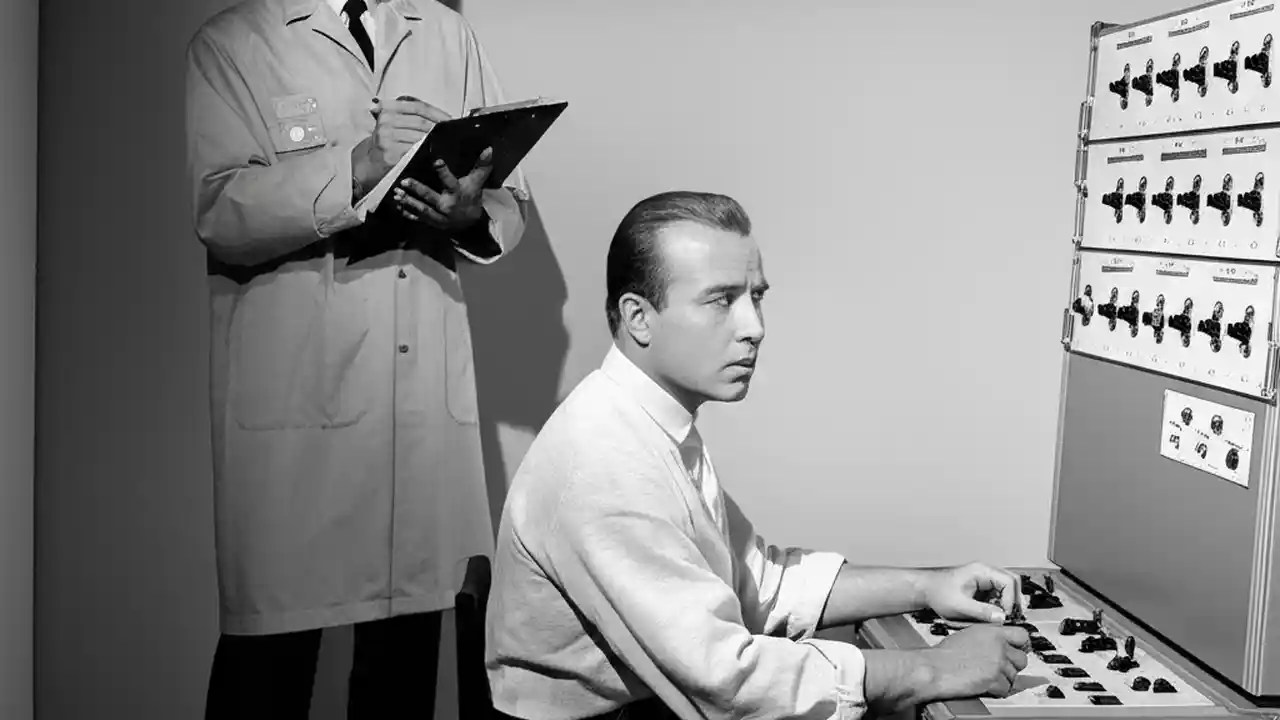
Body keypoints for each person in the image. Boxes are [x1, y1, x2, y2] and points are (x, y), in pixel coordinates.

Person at [485, 191, 1031, 720]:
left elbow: (760, 584)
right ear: (638, 317)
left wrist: (927, 586)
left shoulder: (649, 424)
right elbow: (727, 682)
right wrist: (933, 670)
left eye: (757, 296)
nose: (754, 328)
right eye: (721, 300)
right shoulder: (605, 463)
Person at [184, 0, 529, 716]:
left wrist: (470, 211)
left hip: (419, 402)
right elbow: (220, 210)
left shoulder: (443, 32)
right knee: (268, 667)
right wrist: (359, 164)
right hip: (297, 405)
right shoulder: (233, 42)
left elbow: (508, 196)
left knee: (403, 669)